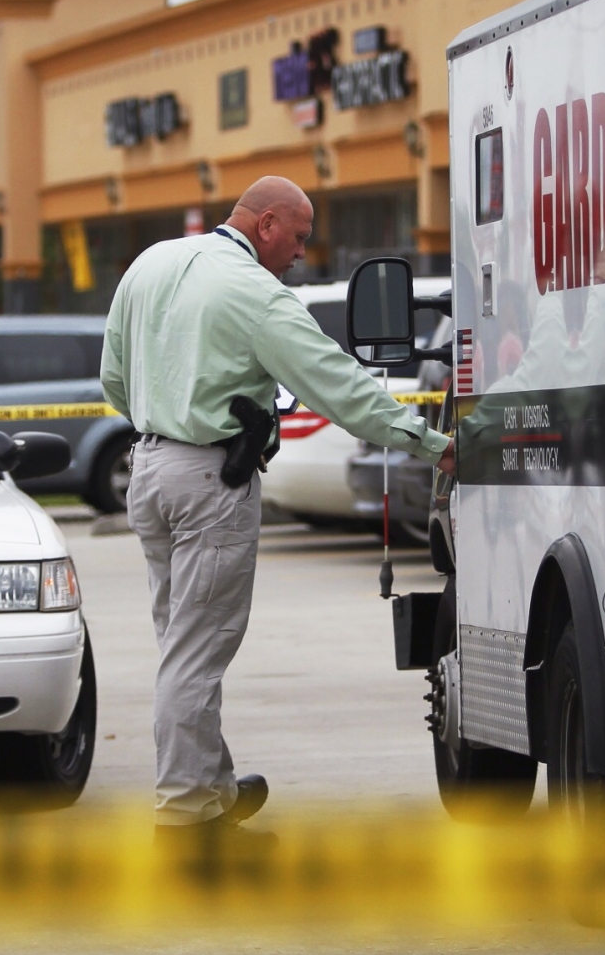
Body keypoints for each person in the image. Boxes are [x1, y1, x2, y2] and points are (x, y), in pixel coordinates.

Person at [102, 177, 455, 839]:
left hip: (148, 472)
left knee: (181, 647)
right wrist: (431, 443)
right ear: (265, 224)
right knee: (195, 654)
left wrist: (168, 415)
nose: (301, 253)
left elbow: (113, 379)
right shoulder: (257, 293)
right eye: (297, 236)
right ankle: (184, 817)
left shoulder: (149, 262)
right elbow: (339, 385)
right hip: (210, 481)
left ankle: (210, 789)